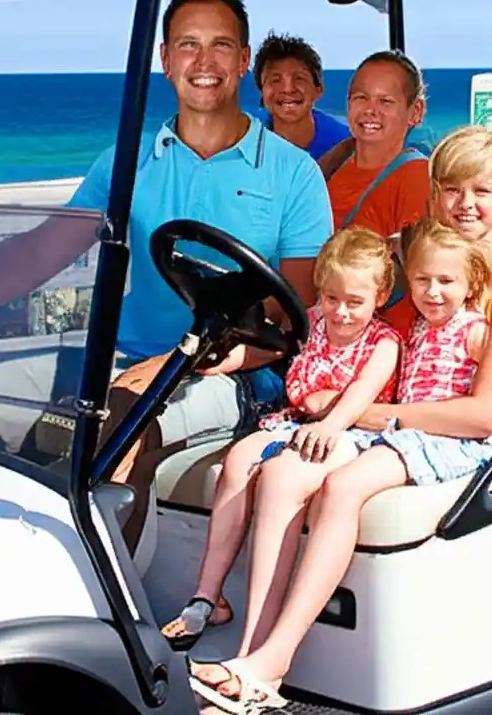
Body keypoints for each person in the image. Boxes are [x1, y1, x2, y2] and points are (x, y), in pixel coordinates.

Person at [0, 0, 334, 551]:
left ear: (243, 60)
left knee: (124, 421)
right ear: (166, 59)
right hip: (119, 358)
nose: (204, 60)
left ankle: (98, 611)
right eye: (189, 45)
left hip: (236, 376)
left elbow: (291, 312)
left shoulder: (294, 175)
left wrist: (179, 362)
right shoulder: (127, 162)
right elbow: (36, 253)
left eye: (220, 45)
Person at [187, 125, 492, 712]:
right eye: (450, 190)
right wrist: (254, 352)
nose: (465, 205)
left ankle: (272, 661)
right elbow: (344, 328)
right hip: (381, 426)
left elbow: (484, 415)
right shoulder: (421, 272)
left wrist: (363, 412)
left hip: (433, 437)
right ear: (432, 196)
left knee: (343, 485)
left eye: (481, 190)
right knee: (277, 473)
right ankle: (250, 658)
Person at [159, 226, 401, 650]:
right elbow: (279, 347)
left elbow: (361, 394)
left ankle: (257, 642)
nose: (341, 312)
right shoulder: (317, 322)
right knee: (237, 461)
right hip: (295, 422)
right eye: (331, 299)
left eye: (354, 302)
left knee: (277, 479)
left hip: (349, 432)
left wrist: (329, 424)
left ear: (380, 298)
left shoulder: (383, 343)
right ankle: (207, 595)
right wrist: (228, 359)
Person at [320, 50, 433, 336]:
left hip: (369, 338)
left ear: (415, 112)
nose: (371, 110)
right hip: (320, 322)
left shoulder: (414, 176)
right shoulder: (335, 163)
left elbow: (416, 277)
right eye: (361, 98)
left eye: (386, 101)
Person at [251, 31, 351, 161]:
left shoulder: (347, 144)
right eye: (275, 80)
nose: (288, 89)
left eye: (299, 78)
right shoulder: (246, 142)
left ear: (318, 90)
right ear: (262, 92)